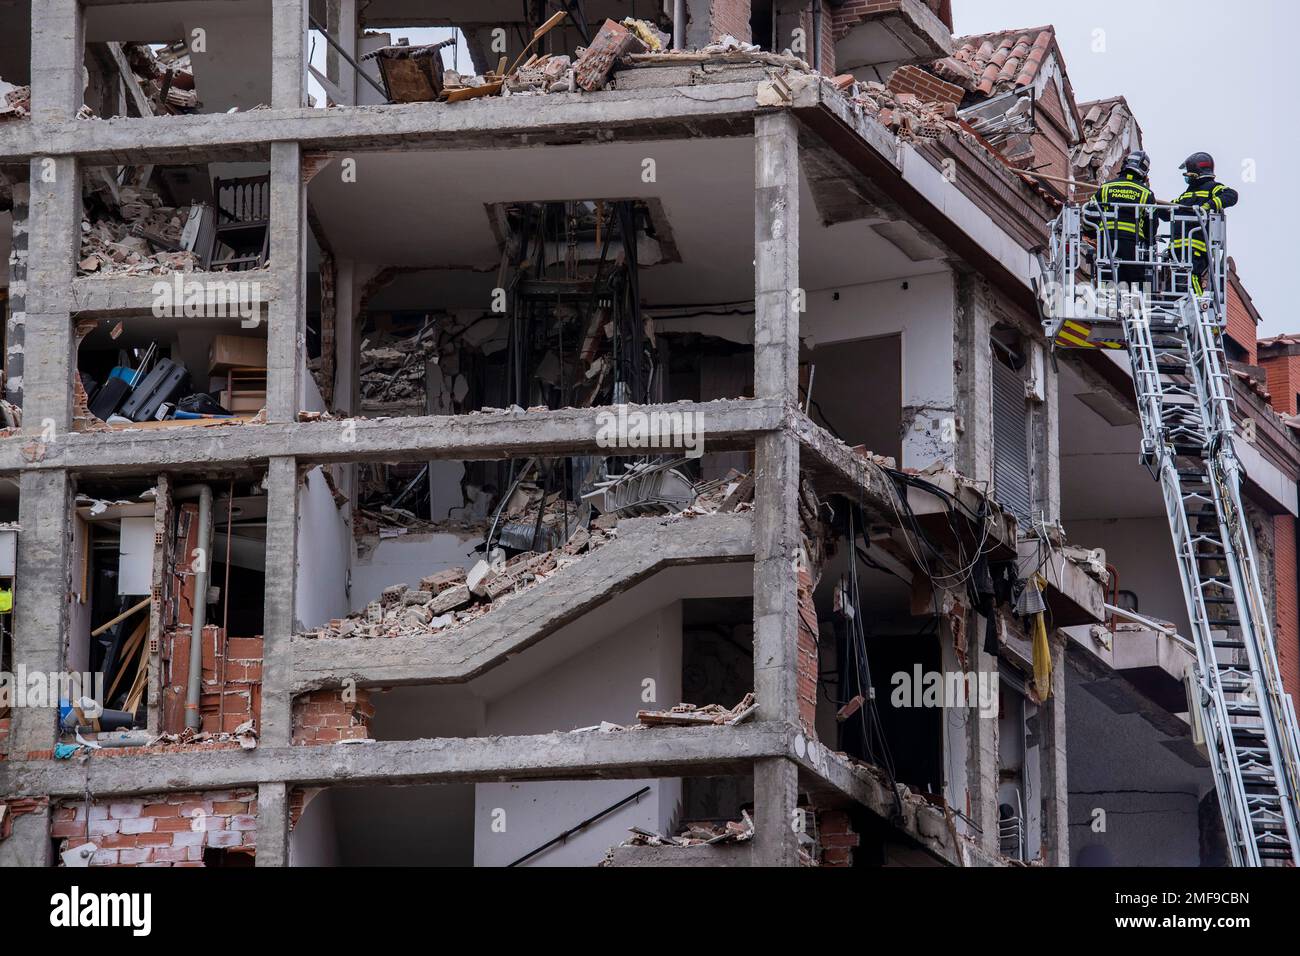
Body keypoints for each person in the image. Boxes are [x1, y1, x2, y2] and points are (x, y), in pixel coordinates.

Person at [1171, 152, 1238, 296]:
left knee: (1192, 277)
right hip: (1178, 247)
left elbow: (1232, 195)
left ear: (1196, 174)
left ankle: (1198, 303)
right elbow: (1169, 210)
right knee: (1180, 281)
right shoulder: (1186, 194)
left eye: (1188, 175)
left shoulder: (1213, 188)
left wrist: (1209, 205)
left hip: (1196, 246)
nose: (1187, 178)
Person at [1092, 150, 1156, 290]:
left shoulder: (1106, 187)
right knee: (1136, 283)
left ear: (1125, 165)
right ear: (1144, 173)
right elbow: (1151, 225)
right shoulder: (1147, 194)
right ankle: (1136, 307)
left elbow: (1090, 213)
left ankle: (1107, 307)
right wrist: (1150, 242)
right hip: (1132, 245)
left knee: (1108, 279)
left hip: (1106, 242)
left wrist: (1090, 233)